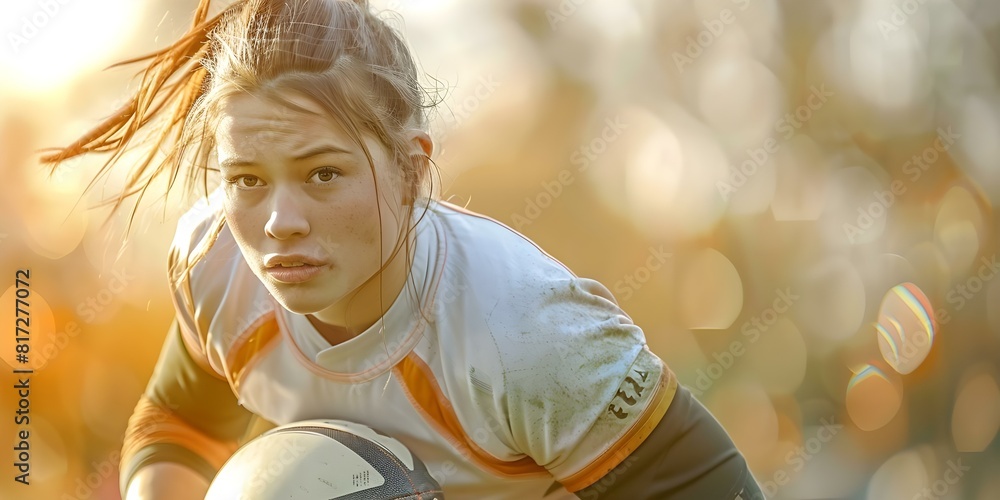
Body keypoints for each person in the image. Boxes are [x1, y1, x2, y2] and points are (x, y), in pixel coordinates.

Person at [46, 0, 764, 498]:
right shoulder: (216, 265)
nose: (278, 222)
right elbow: (180, 424)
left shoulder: (530, 334)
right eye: (246, 180)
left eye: (323, 173)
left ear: (412, 168)